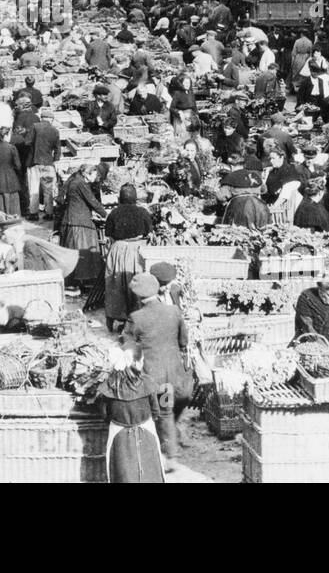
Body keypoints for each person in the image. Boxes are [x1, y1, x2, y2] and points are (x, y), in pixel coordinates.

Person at [121, 272, 192, 471]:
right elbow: (183, 341)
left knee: (164, 411)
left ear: (137, 296)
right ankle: (173, 435)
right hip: (177, 373)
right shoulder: (173, 312)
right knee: (171, 408)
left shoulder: (136, 318)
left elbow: (127, 346)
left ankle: (170, 456)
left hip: (156, 377)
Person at [95, 344, 165, 484]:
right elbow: (156, 411)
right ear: (136, 363)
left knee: (123, 473)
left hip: (119, 437)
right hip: (146, 433)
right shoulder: (147, 383)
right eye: (142, 360)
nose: (143, 363)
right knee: (151, 472)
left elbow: (104, 414)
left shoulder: (110, 386)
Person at [103, 184, 151, 332]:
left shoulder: (114, 213)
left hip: (118, 250)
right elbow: (148, 231)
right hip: (136, 250)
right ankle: (134, 318)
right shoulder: (143, 212)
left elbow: (108, 234)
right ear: (135, 198)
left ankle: (114, 316)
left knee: (115, 283)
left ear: (120, 198)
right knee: (135, 283)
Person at [57, 163, 107, 296]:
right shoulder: (80, 184)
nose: (96, 177)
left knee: (74, 252)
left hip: (73, 220)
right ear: (87, 174)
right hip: (78, 222)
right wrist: (106, 214)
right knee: (83, 252)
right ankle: (79, 284)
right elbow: (92, 201)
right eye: (94, 174)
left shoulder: (75, 180)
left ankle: (77, 283)